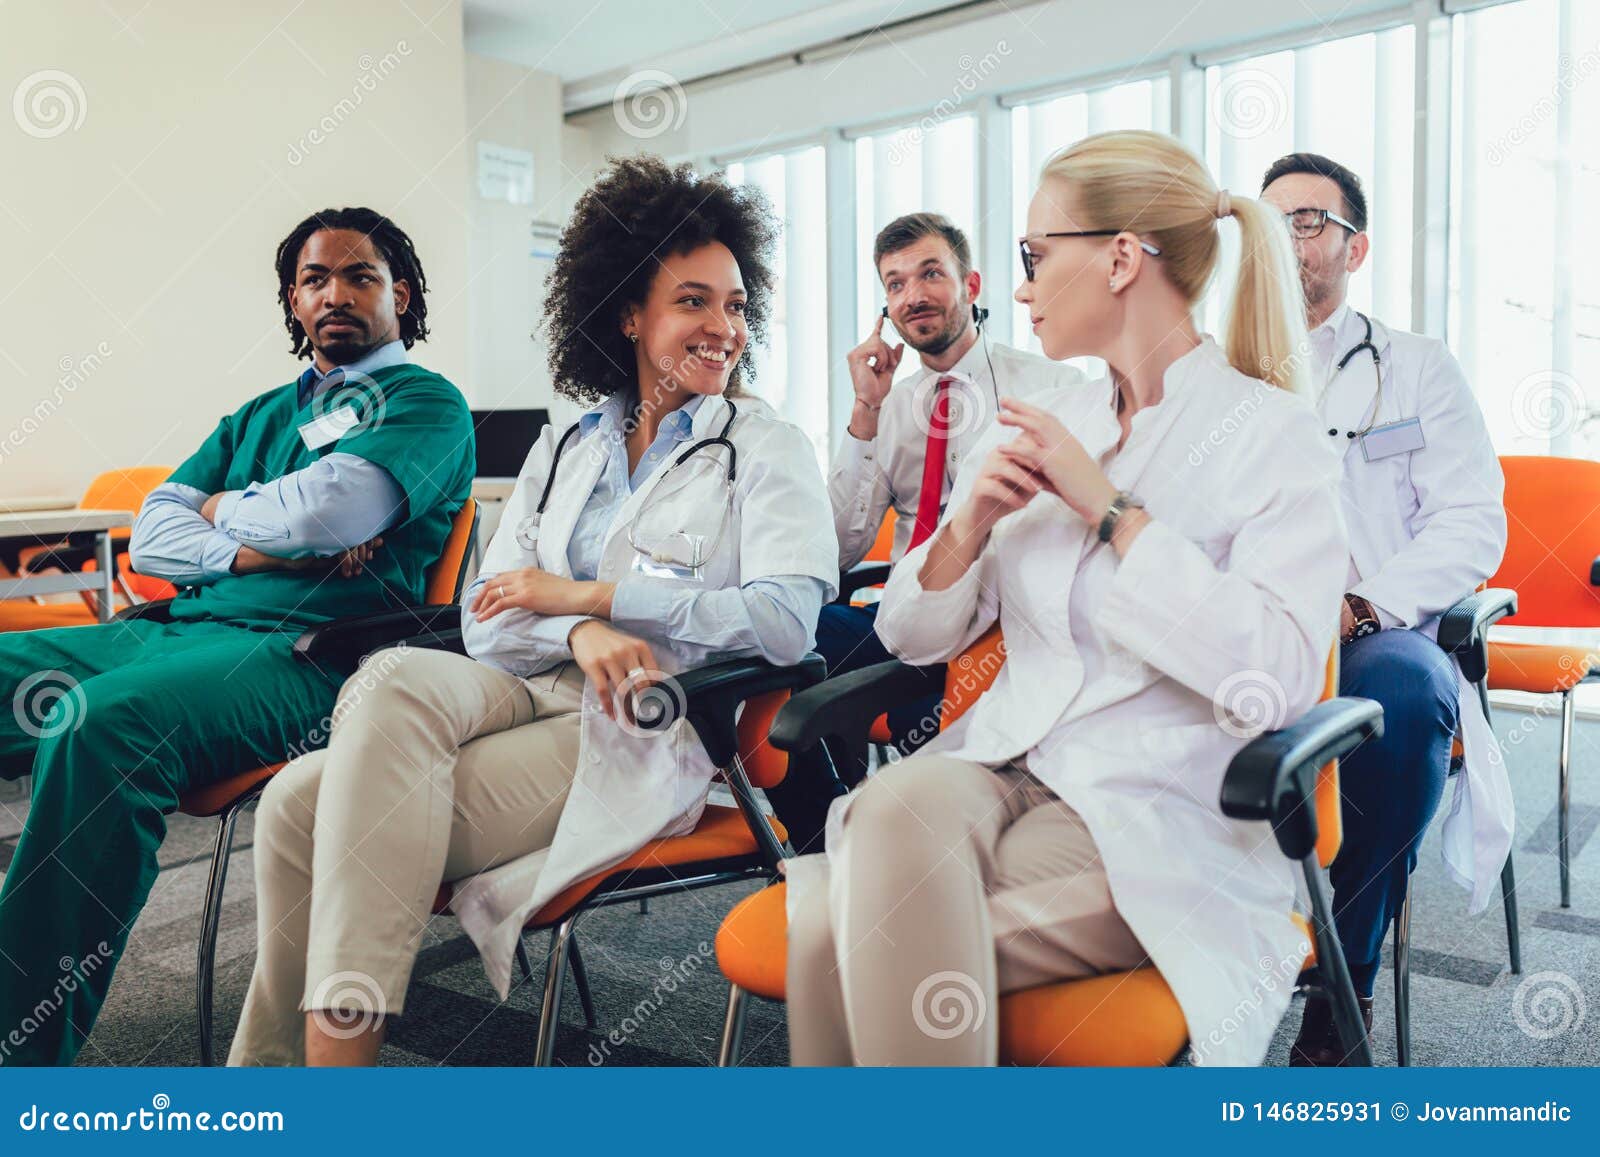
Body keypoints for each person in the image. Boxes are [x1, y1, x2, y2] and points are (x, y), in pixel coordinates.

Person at [228, 156, 840, 1066]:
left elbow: (787, 623)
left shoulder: (765, 447)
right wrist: (579, 626)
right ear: (629, 314)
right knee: (380, 688)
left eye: (738, 305)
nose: (725, 329)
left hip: (644, 720)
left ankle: (323, 1077)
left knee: (302, 809)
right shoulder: (569, 443)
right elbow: (487, 612)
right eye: (694, 303)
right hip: (523, 684)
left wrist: (595, 595)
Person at [782, 130, 1349, 1067]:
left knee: (838, 935)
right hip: (1008, 759)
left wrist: (1111, 511)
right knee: (887, 813)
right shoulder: (1057, 423)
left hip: (1159, 805)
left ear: (1122, 258)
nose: (1018, 287)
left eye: (1034, 257)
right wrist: (964, 530)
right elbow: (912, 638)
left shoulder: (1271, 434)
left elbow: (1275, 677)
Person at [0, 207, 475, 1065]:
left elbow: (335, 509)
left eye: (359, 276)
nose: (335, 294)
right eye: (313, 280)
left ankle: (16, 1051)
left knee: (100, 723)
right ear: (294, 301)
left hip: (311, 657)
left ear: (399, 294)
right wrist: (261, 540)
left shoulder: (425, 404)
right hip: (176, 626)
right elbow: (150, 537)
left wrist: (221, 518)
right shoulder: (258, 415)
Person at [1261, 152, 1508, 1065]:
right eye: (1266, 220)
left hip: (1373, 634)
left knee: (1405, 698)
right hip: (1247, 633)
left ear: (1354, 247)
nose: (1283, 239)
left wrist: (1363, 605)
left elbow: (1473, 519)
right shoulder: (1223, 375)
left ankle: (1342, 976)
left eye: (1306, 221)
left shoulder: (1418, 369)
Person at [820, 213, 1081, 759]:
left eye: (931, 273)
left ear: (972, 285)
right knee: (800, 633)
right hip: (906, 622)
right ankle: (813, 830)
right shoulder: (886, 405)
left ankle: (923, 801)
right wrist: (865, 409)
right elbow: (837, 551)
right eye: (896, 283)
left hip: (1002, 629)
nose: (913, 295)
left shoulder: (1052, 388)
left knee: (937, 720)